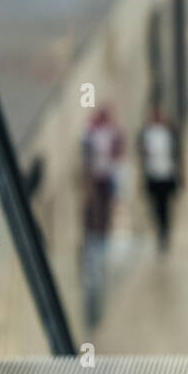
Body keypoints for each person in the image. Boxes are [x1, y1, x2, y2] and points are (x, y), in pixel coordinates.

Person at [80, 106, 124, 329]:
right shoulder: (89, 135)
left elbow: (117, 153)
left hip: (104, 181)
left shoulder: (109, 134)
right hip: (97, 184)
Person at [139, 105, 180, 252]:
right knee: (155, 206)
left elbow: (176, 153)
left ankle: (165, 233)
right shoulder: (146, 133)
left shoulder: (169, 132)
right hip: (153, 175)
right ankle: (159, 231)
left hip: (166, 174)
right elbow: (141, 153)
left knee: (166, 206)